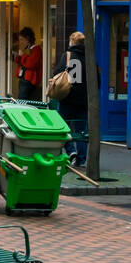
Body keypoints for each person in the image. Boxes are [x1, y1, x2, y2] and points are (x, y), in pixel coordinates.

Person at [51, 32, 89, 169]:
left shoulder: (67, 56)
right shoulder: (89, 57)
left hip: (67, 98)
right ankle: (81, 159)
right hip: (83, 100)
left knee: (62, 127)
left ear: (72, 42)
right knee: (81, 131)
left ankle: (70, 151)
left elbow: (57, 73)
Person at [13, 27, 43, 102]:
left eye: (22, 39)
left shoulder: (36, 49)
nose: (20, 42)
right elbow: (22, 63)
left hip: (29, 80)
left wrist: (22, 55)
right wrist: (18, 56)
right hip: (25, 78)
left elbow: (31, 64)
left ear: (28, 38)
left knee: (22, 100)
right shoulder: (28, 49)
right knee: (22, 99)